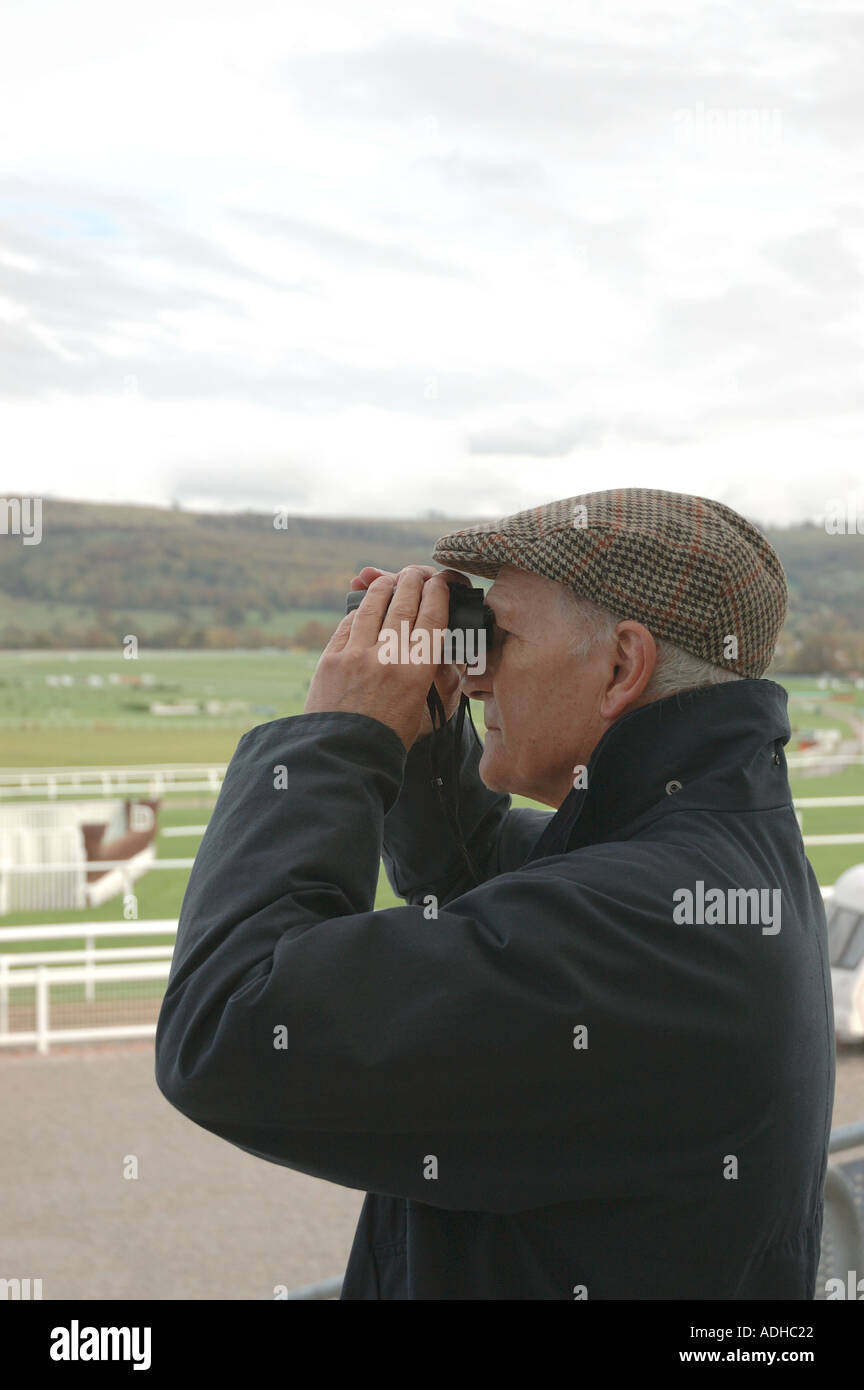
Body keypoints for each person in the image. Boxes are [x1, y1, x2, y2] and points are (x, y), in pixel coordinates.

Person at [154, 486, 835, 1299]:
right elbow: (475, 875)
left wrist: (338, 736)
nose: (477, 675)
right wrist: (429, 719)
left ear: (622, 665)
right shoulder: (710, 853)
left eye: (497, 639)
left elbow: (231, 1026)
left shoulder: (650, 923)